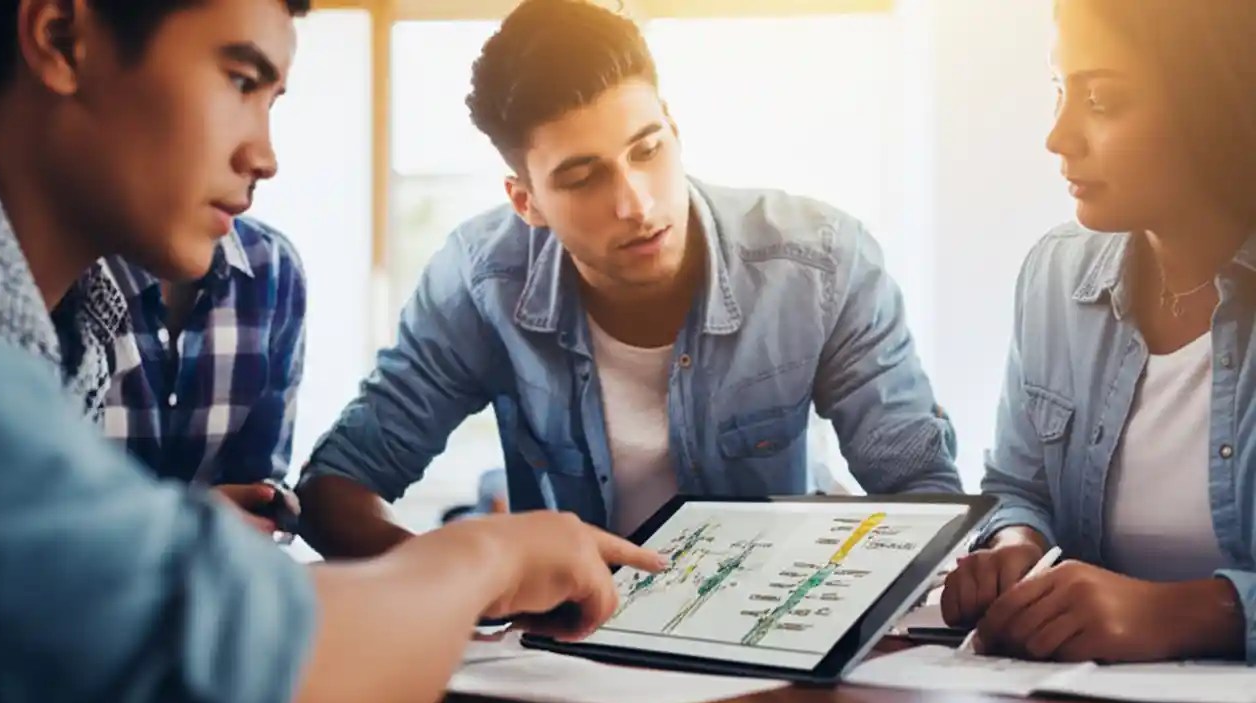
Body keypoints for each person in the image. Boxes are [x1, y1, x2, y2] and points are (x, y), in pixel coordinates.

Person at [0, 1, 662, 703]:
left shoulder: (66, 331)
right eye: (241, 80)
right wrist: (490, 558)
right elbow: (222, 662)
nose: (265, 157)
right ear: (62, 37)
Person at [298, 0, 960, 560]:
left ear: (674, 127)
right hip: (577, 652)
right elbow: (336, 488)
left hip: (776, 624)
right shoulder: (479, 281)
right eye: (583, 178)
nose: (636, 203)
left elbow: (922, 493)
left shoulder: (821, 264)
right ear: (525, 201)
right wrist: (467, 577)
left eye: (648, 150)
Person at [942, 0, 1256, 665]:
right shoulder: (1057, 276)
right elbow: (1017, 486)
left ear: (1219, 103)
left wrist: (1198, 612)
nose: (1057, 137)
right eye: (1059, 91)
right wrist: (1016, 545)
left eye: (1103, 101)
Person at [103, 216, 307, 533]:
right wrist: (190, 528)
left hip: (221, 576)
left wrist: (264, 512)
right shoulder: (61, 271)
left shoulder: (273, 269)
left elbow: (258, 492)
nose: (265, 165)